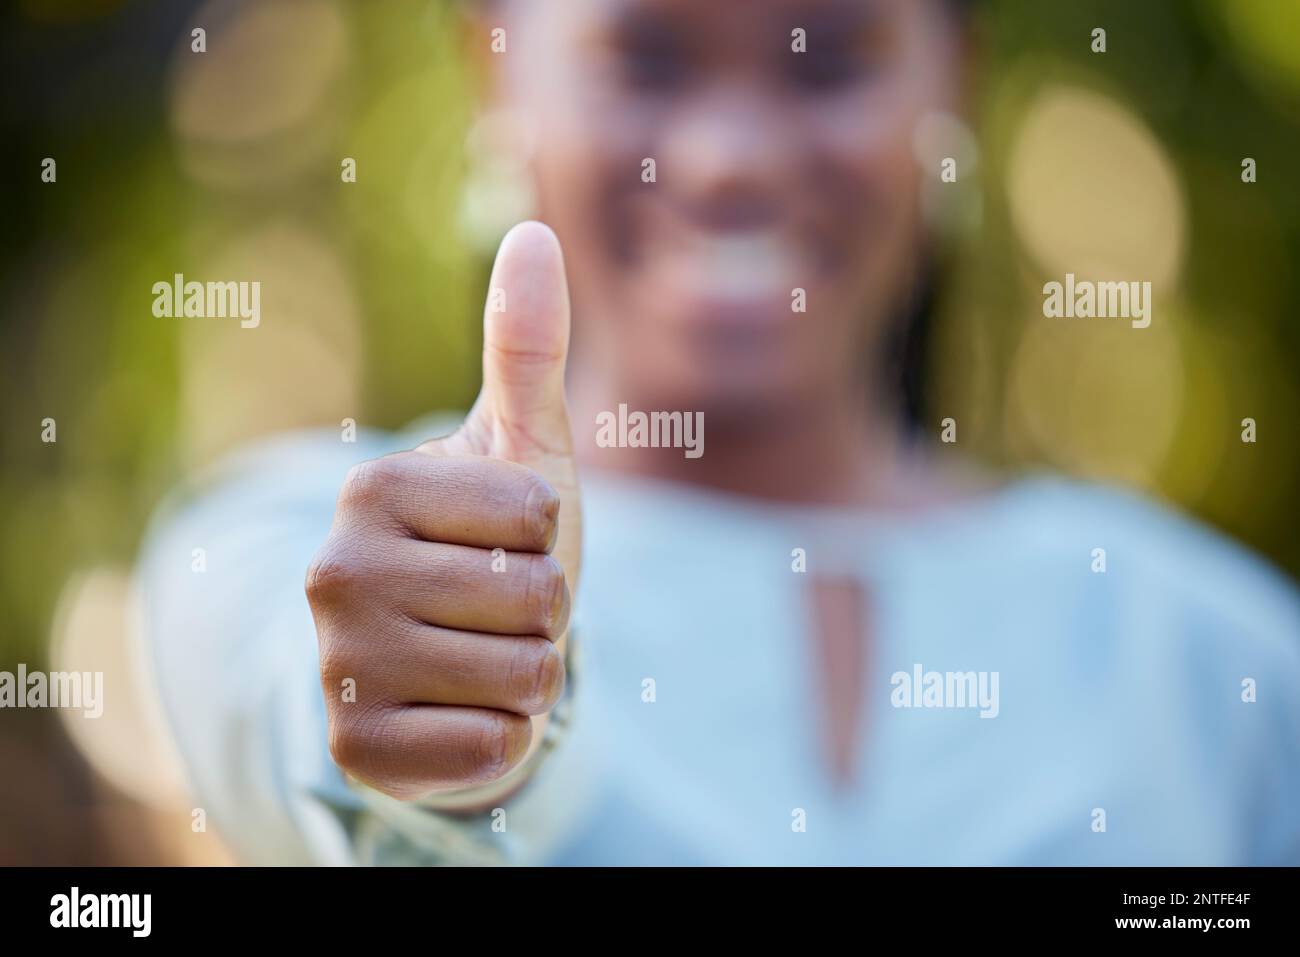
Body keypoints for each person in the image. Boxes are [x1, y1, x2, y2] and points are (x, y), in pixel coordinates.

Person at [138, 0, 1300, 865]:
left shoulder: (1213, 655)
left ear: (952, 78)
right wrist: (453, 725)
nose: (728, 157)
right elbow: (300, 710)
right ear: (495, 69)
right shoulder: (288, 551)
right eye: (643, 57)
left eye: (830, 60)